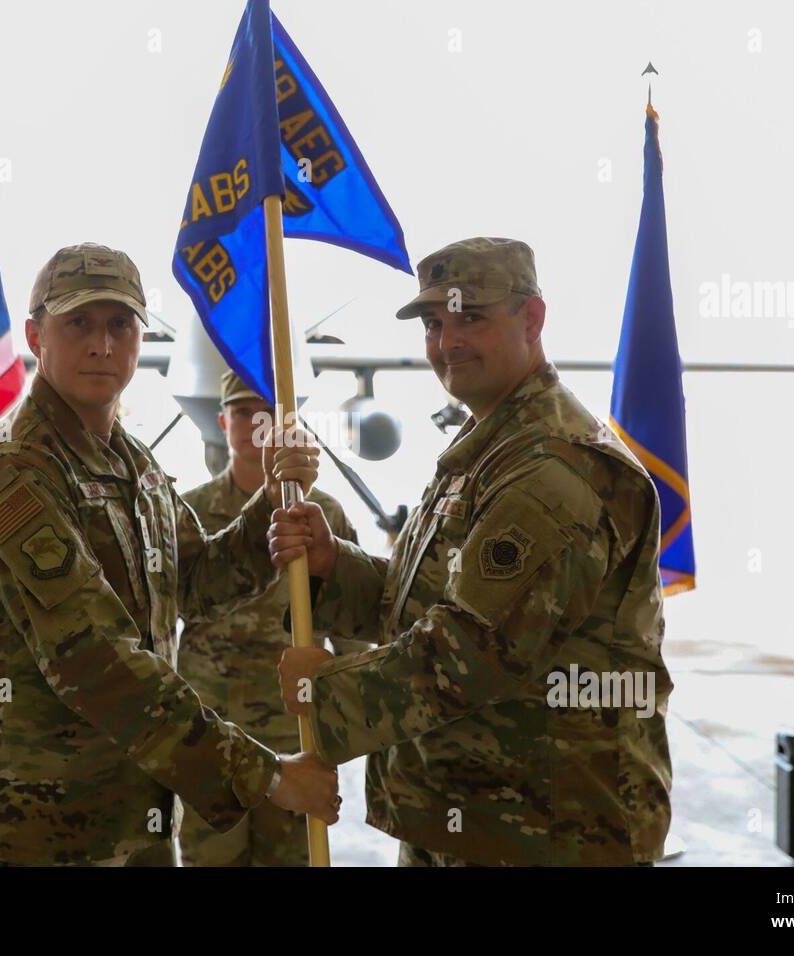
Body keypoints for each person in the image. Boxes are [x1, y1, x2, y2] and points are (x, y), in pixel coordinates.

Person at [0, 242, 338, 866]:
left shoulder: (132, 463)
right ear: (37, 336)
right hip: (37, 831)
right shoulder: (13, 472)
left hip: (137, 820)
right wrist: (269, 775)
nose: (103, 344)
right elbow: (96, 662)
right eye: (79, 324)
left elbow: (197, 583)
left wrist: (274, 510)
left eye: (120, 324)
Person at [269, 236, 673, 866]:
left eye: (471, 317)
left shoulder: (552, 468)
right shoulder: (490, 446)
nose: (447, 340)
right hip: (470, 815)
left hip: (548, 830)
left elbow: (471, 652)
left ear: (532, 318)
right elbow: (432, 602)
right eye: (434, 323)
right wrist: (332, 567)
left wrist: (323, 696)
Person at [176, 369, 373, 866]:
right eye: (243, 413)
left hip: (294, 728)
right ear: (222, 422)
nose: (255, 426)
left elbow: (354, 628)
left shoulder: (319, 514)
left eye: (268, 414)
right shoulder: (191, 510)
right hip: (211, 732)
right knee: (210, 859)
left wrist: (356, 717)